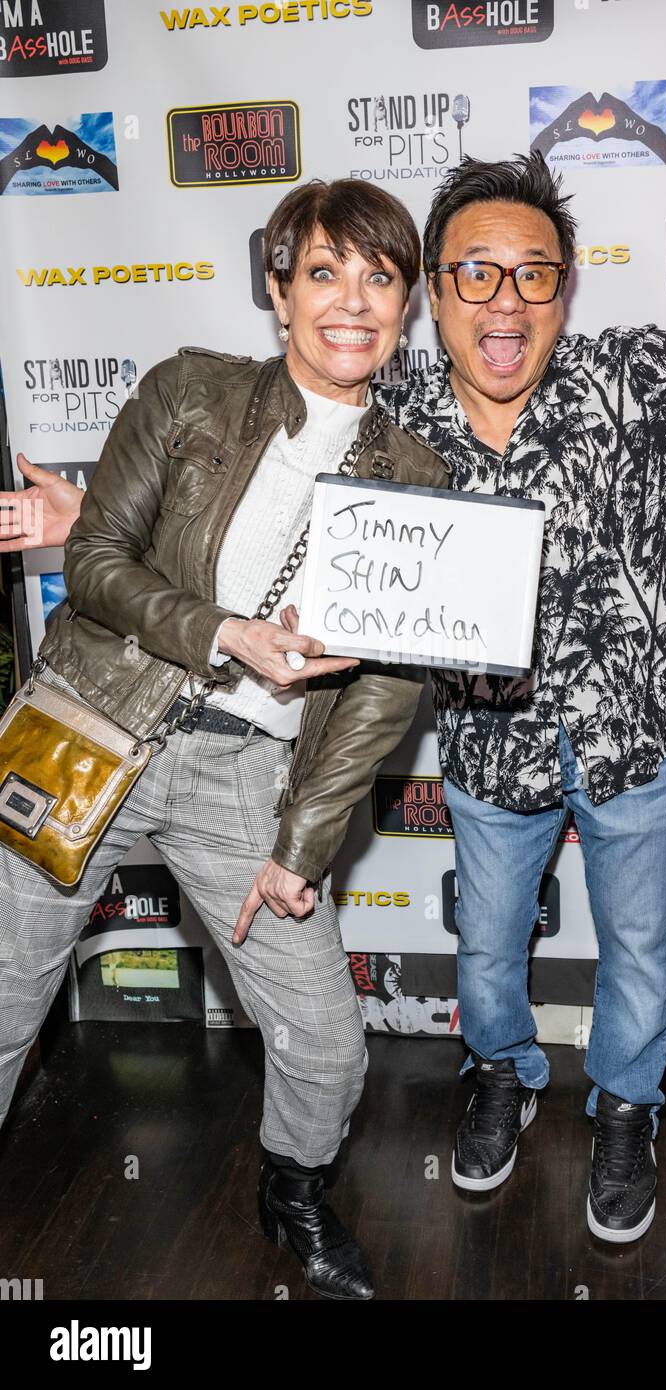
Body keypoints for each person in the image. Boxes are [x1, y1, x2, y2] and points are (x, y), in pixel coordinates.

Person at [10, 155, 666, 1250]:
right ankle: (498, 1077)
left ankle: (622, 1108)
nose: (504, 299)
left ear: (564, 290)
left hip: (634, 745)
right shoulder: (389, 411)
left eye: (533, 274)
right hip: (486, 753)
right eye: (475, 273)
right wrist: (89, 515)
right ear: (436, 296)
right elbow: (243, 491)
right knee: (487, 955)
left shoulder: (631, 377)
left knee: (642, 951)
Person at [0, 177, 449, 1301]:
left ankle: (291, 1190)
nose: (350, 301)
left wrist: (302, 844)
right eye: (323, 273)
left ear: (405, 305)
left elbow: (384, 693)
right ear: (278, 286)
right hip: (88, 723)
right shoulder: (189, 390)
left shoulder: (420, 481)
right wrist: (225, 634)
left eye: (378, 278)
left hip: (244, 770)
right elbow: (97, 560)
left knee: (327, 1043)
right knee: (3, 1000)